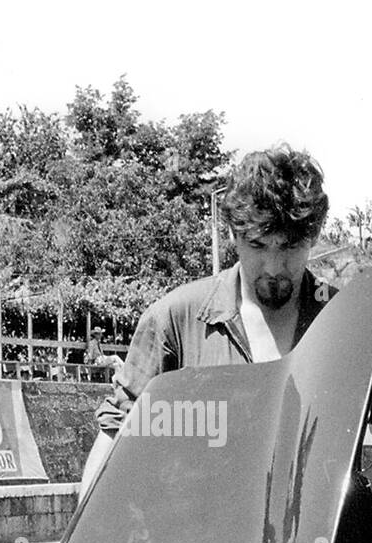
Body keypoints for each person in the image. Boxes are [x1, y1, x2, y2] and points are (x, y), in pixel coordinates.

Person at [81, 144, 334, 490]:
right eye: (258, 246)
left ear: (314, 237)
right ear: (232, 234)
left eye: (289, 247)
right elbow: (117, 435)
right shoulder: (173, 321)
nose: (274, 268)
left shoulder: (346, 319)